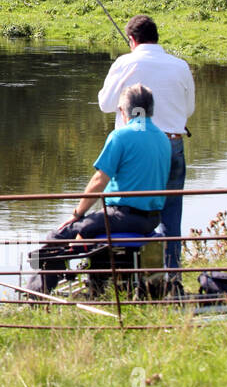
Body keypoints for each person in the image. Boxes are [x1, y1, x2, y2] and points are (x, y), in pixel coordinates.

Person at [24, 84, 171, 296]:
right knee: (96, 229)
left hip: (123, 216)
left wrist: (77, 214)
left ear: (123, 110)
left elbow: (98, 180)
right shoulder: (163, 138)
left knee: (57, 236)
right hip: (151, 218)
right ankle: (96, 289)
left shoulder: (121, 136)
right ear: (151, 109)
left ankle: (34, 295)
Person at [97, 14, 195, 282]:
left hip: (134, 148)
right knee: (171, 213)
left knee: (129, 212)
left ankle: (131, 276)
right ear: (156, 37)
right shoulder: (181, 65)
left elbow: (105, 105)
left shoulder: (124, 63)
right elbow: (189, 110)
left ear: (132, 40)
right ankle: (171, 277)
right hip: (172, 144)